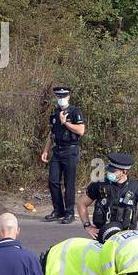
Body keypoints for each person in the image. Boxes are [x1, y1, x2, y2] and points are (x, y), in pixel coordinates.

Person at [78, 153, 138, 240]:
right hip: (102, 235)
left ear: (124, 172)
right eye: (109, 170)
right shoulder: (99, 184)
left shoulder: (136, 188)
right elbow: (81, 203)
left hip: (126, 238)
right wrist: (87, 226)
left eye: (113, 171)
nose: (109, 173)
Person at [40, 86, 86, 224]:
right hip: (57, 150)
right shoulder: (54, 114)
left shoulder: (74, 112)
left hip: (70, 150)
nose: (61, 99)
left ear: (68, 97)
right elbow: (51, 135)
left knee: (69, 183)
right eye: (58, 97)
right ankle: (58, 210)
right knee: (53, 181)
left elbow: (81, 131)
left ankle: (69, 212)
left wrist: (65, 122)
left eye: (63, 97)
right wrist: (46, 150)